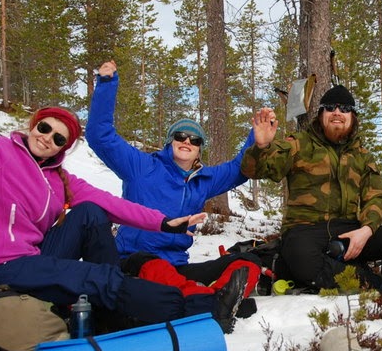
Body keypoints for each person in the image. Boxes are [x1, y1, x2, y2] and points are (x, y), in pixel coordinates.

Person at [0, 31, 247, 334]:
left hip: (31, 260)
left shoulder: (59, 179)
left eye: (60, 137)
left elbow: (111, 204)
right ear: (34, 125)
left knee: (90, 213)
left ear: (64, 147)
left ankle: (113, 303)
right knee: (96, 277)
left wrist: (163, 222)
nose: (49, 137)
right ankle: (202, 309)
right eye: (45, 128)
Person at [86, 60, 265, 296]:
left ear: (199, 149)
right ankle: (201, 299)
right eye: (180, 136)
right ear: (169, 141)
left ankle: (216, 298)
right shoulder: (141, 167)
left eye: (195, 140)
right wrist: (107, 84)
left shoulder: (204, 180)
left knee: (247, 261)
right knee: (154, 268)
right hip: (134, 262)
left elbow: (238, 169)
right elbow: (100, 136)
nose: (187, 141)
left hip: (177, 267)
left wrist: (257, 141)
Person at [241, 84, 382, 296]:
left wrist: (366, 230)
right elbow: (254, 170)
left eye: (345, 108)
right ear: (321, 114)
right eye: (330, 107)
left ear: (352, 117)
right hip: (305, 229)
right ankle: (376, 285)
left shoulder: (362, 156)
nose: (337, 112)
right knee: (301, 258)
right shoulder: (298, 144)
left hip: (349, 230)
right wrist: (261, 148)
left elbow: (374, 198)